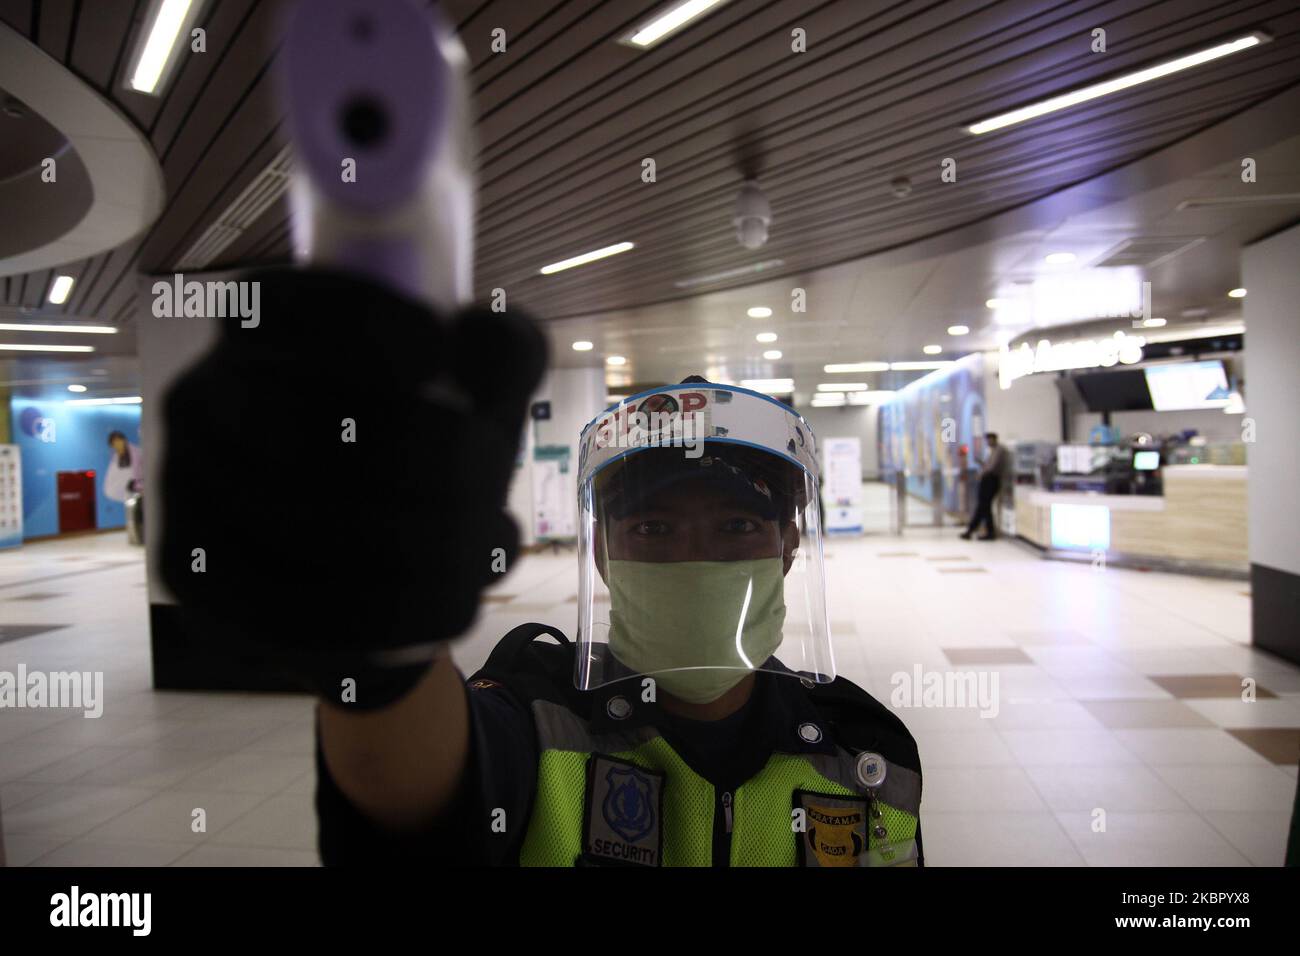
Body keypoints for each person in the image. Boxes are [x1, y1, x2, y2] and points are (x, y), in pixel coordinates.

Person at [159, 271, 922, 868]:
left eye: (736, 526)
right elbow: (405, 791)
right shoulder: (536, 726)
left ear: (788, 548)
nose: (696, 556)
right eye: (654, 528)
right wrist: (378, 644)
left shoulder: (864, 758)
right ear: (602, 551)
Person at [961, 431, 1009, 541]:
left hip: (991, 481)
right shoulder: (992, 451)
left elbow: (991, 468)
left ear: (994, 439)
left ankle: (973, 530)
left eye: (989, 440)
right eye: (987, 440)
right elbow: (988, 465)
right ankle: (975, 531)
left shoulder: (999, 450)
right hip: (987, 480)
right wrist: (981, 463)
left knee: (984, 506)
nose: (988, 442)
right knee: (984, 507)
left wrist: (982, 473)